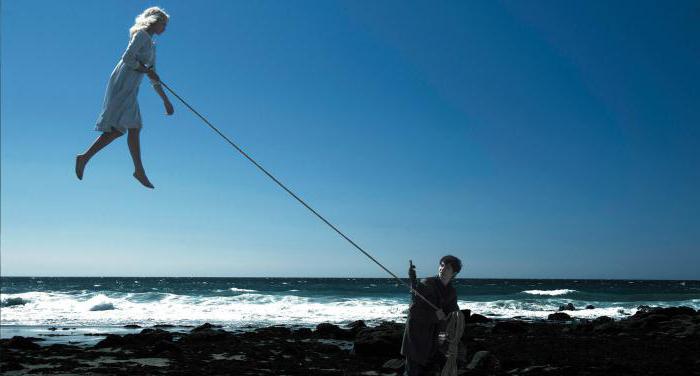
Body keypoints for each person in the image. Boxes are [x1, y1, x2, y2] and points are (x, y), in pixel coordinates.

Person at [75, 7, 174, 189]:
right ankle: (139, 171)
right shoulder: (142, 35)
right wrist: (145, 69)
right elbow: (127, 57)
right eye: (164, 24)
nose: (165, 29)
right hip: (122, 85)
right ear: (155, 20)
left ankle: (85, 158)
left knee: (119, 130)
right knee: (132, 127)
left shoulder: (151, 45)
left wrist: (165, 100)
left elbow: (153, 75)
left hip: (131, 88)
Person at [401, 255, 462, 376]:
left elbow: (451, 314)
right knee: (412, 372)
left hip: (436, 339)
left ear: (454, 273)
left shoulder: (451, 292)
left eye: (447, 267)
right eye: (442, 265)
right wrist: (435, 316)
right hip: (417, 336)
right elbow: (413, 310)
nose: (442, 269)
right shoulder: (427, 284)